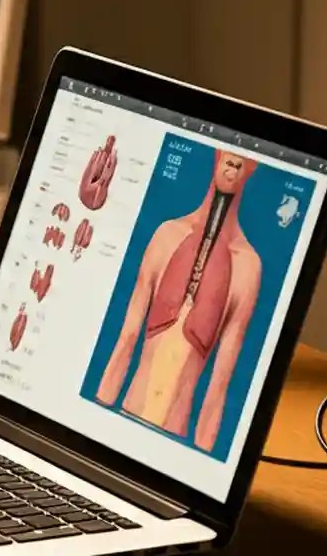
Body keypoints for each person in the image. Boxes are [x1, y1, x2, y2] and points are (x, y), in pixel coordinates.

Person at [95, 150, 260, 452]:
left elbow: (220, 384)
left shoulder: (247, 267)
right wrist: (92, 433)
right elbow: (126, 339)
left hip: (171, 444)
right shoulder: (167, 235)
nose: (235, 162)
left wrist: (200, 467)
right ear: (217, 153)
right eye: (229, 153)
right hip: (125, 421)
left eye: (244, 158)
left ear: (254, 166)